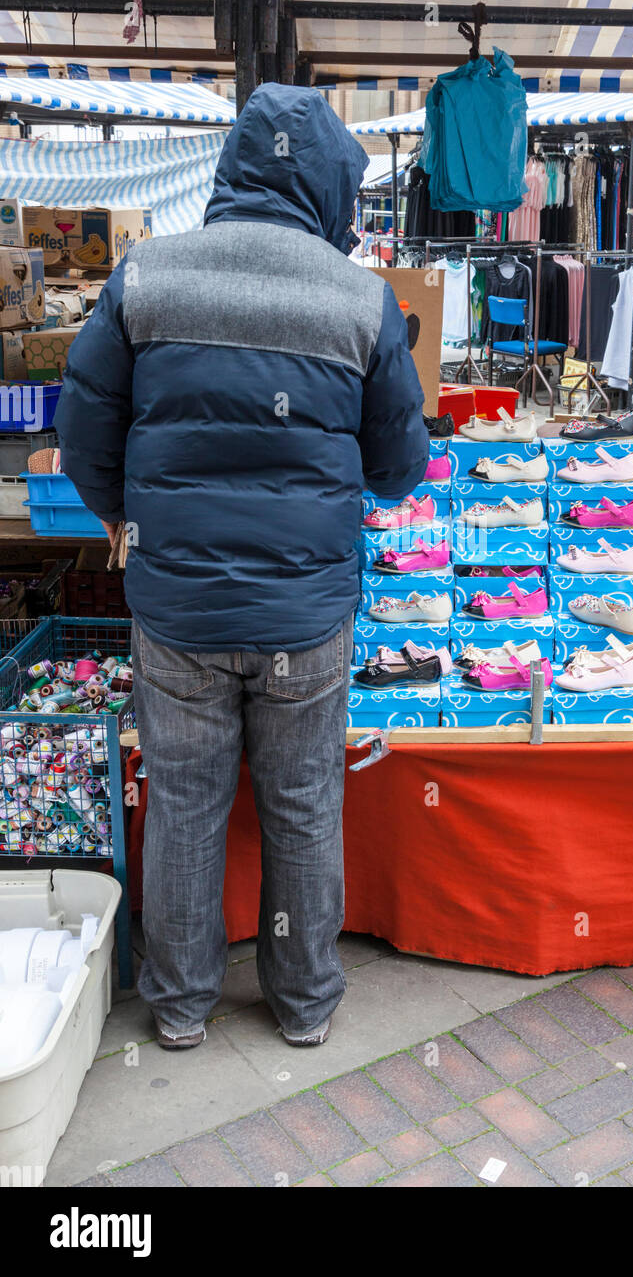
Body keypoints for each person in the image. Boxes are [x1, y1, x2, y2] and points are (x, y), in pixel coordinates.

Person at [55, 85, 428, 1050]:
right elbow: (399, 466)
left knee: (183, 802)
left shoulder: (146, 279)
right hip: (305, 613)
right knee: (303, 807)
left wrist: (128, 517)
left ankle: (178, 1008)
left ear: (234, 168)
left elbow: (84, 436)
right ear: (329, 185)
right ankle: (303, 1004)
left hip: (176, 604)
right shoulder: (361, 299)